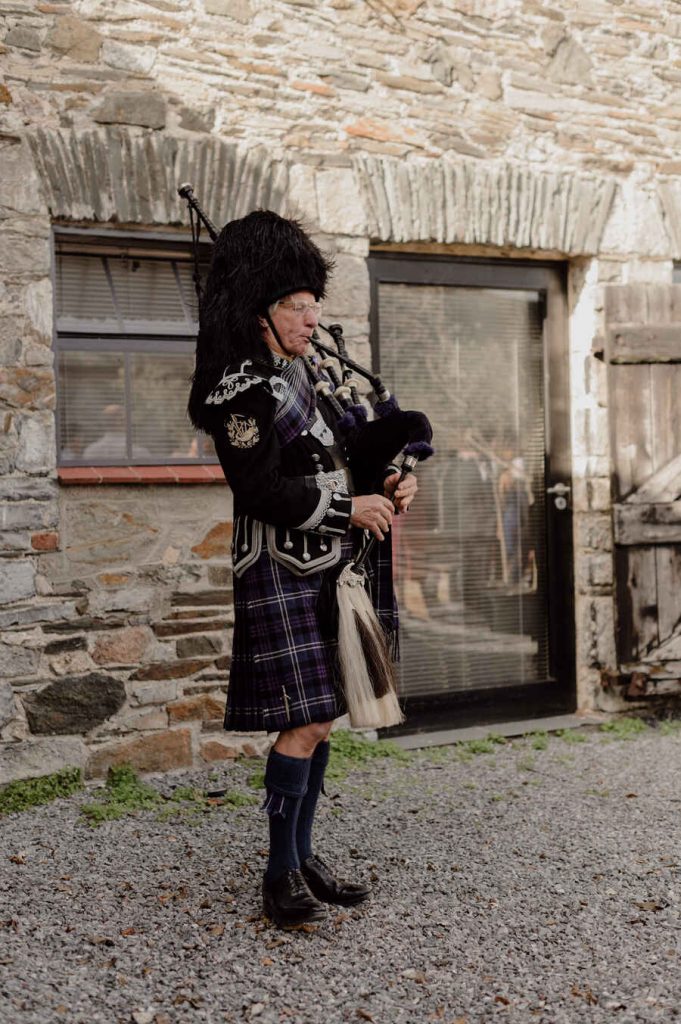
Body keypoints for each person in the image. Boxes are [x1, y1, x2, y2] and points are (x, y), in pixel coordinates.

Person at [188, 211, 423, 929]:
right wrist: (345, 509)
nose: (310, 315)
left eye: (311, 302)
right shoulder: (240, 391)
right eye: (296, 305)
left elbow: (356, 438)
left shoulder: (306, 370)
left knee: (320, 721)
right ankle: (278, 872)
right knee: (305, 718)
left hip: (327, 567)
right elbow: (256, 488)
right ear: (259, 310)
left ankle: (303, 853)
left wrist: (391, 474)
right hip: (279, 564)